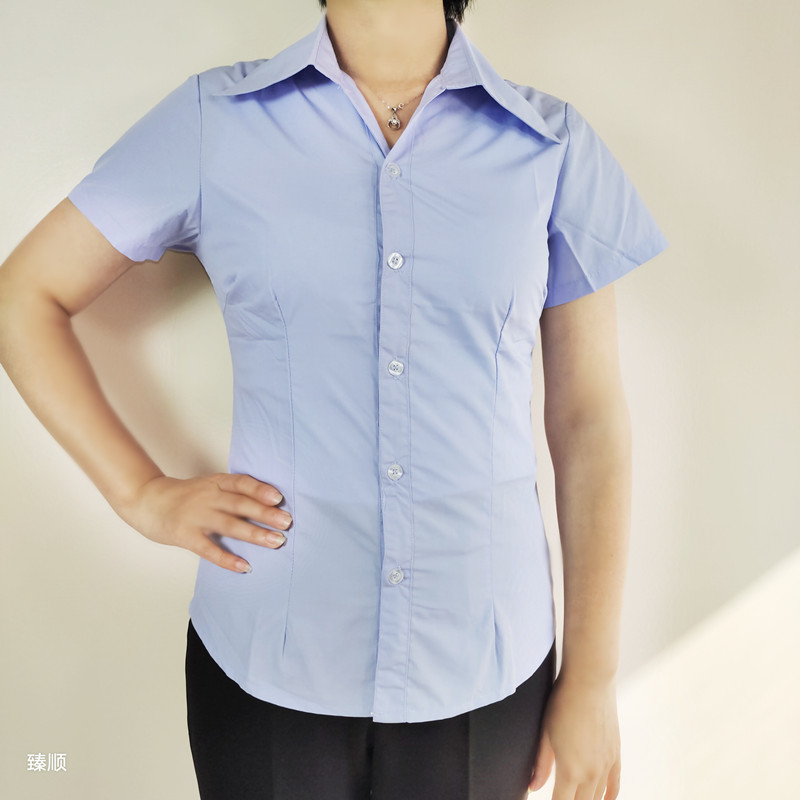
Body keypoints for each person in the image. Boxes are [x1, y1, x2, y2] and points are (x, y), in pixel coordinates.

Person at [0, 0, 669, 798]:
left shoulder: (552, 146)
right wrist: (140, 493)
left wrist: (592, 677)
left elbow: (589, 420)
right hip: (266, 667)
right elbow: (24, 297)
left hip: (484, 671)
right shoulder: (216, 121)